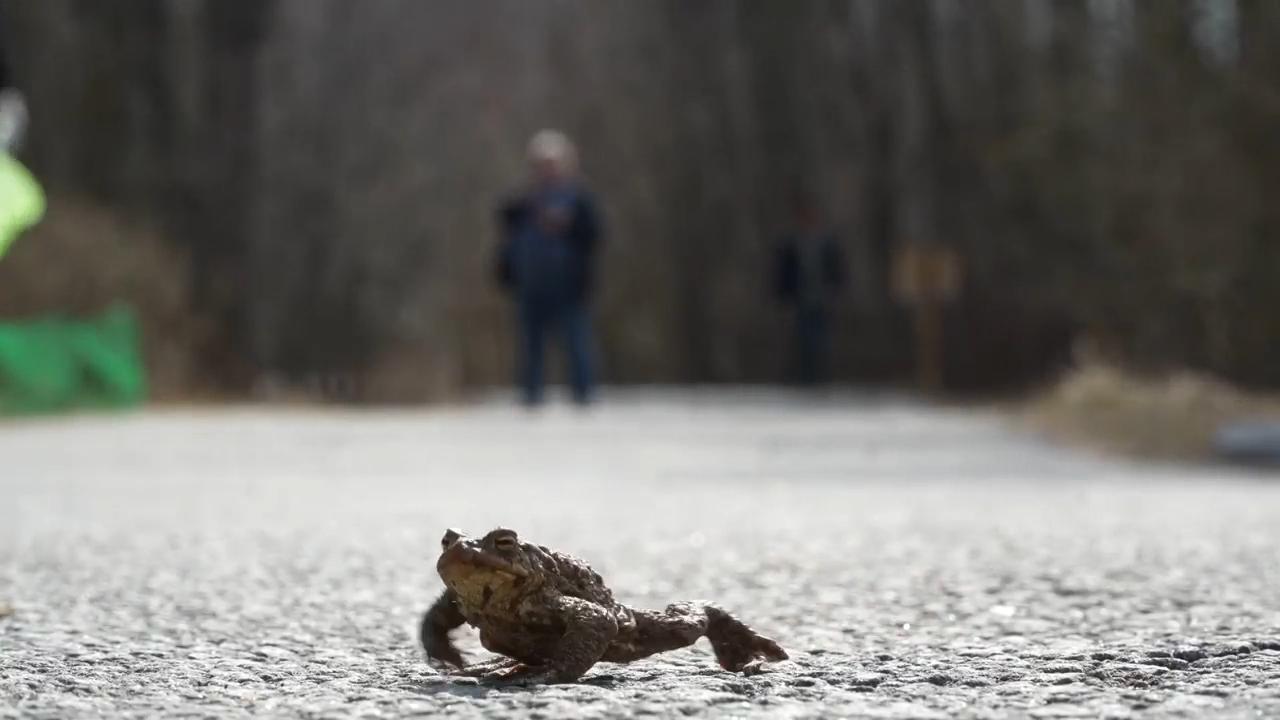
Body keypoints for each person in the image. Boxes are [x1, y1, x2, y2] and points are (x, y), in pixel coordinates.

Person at [495, 130, 603, 406]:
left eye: (552, 163)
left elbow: (594, 235)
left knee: (576, 344)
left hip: (568, 284)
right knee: (530, 348)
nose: (547, 169)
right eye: (541, 163)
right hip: (531, 285)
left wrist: (566, 225)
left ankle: (584, 398)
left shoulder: (579, 200)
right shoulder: (524, 201)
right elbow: (505, 228)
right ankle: (530, 398)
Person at [773, 190, 845, 385]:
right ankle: (803, 378)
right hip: (800, 300)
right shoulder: (790, 243)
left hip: (822, 299)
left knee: (821, 341)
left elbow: (837, 270)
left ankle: (821, 377)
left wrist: (835, 292)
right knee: (801, 340)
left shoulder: (828, 243)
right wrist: (783, 297)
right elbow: (783, 273)